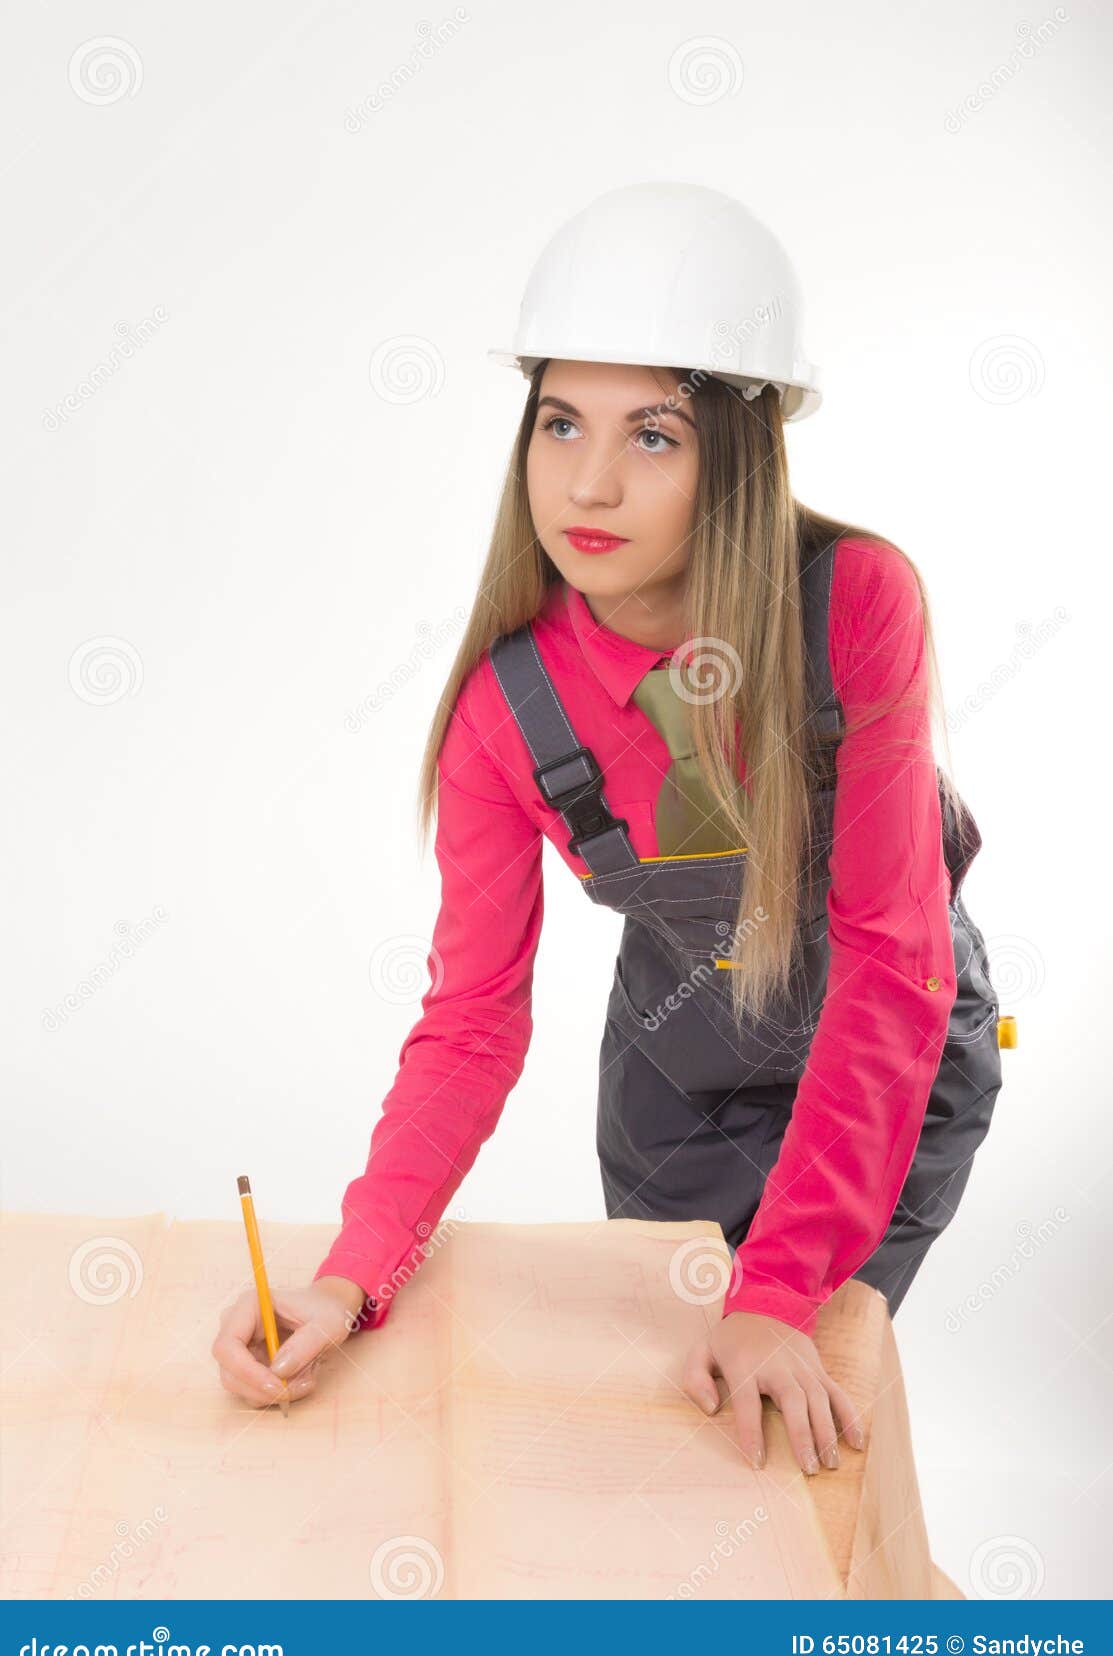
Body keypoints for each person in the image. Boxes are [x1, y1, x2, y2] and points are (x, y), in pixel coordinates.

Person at [212, 183, 1004, 1474]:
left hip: (887, 1072)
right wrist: (349, 1276)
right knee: (677, 1451)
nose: (586, 480)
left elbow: (888, 962)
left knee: (796, 1431)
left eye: (652, 435)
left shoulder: (856, 604)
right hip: (674, 1083)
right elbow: (469, 1023)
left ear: (736, 452)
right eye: (558, 422)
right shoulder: (501, 712)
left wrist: (775, 1288)